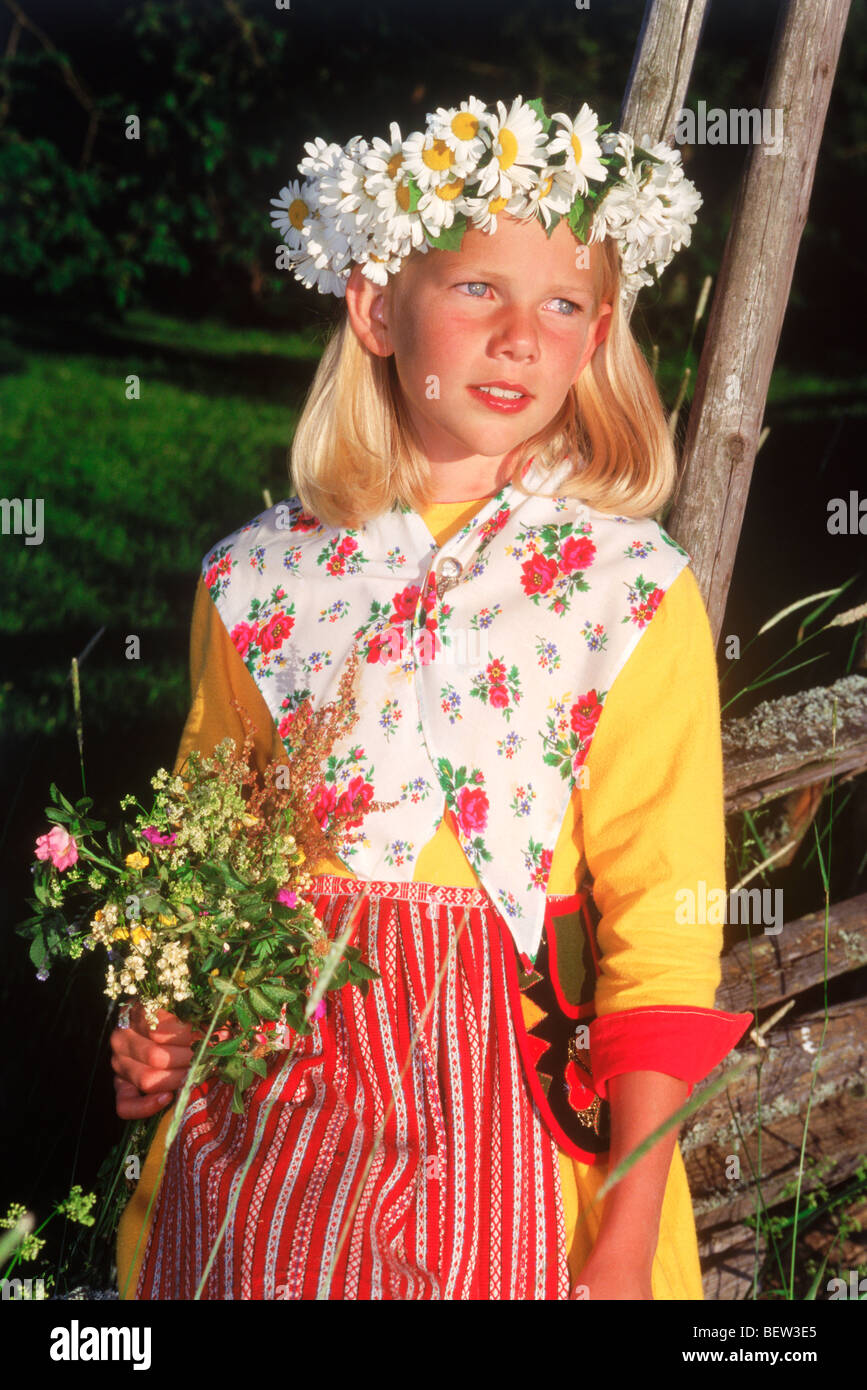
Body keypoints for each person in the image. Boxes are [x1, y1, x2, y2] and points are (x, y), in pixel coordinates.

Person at [111, 94, 752, 1300]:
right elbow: (203, 856)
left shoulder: (625, 596)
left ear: (598, 331)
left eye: (561, 305)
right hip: (277, 1113)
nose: (520, 336)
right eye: (477, 291)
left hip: (515, 1113)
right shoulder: (256, 578)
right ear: (376, 307)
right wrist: (162, 1015)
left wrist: (623, 1235)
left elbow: (665, 939)